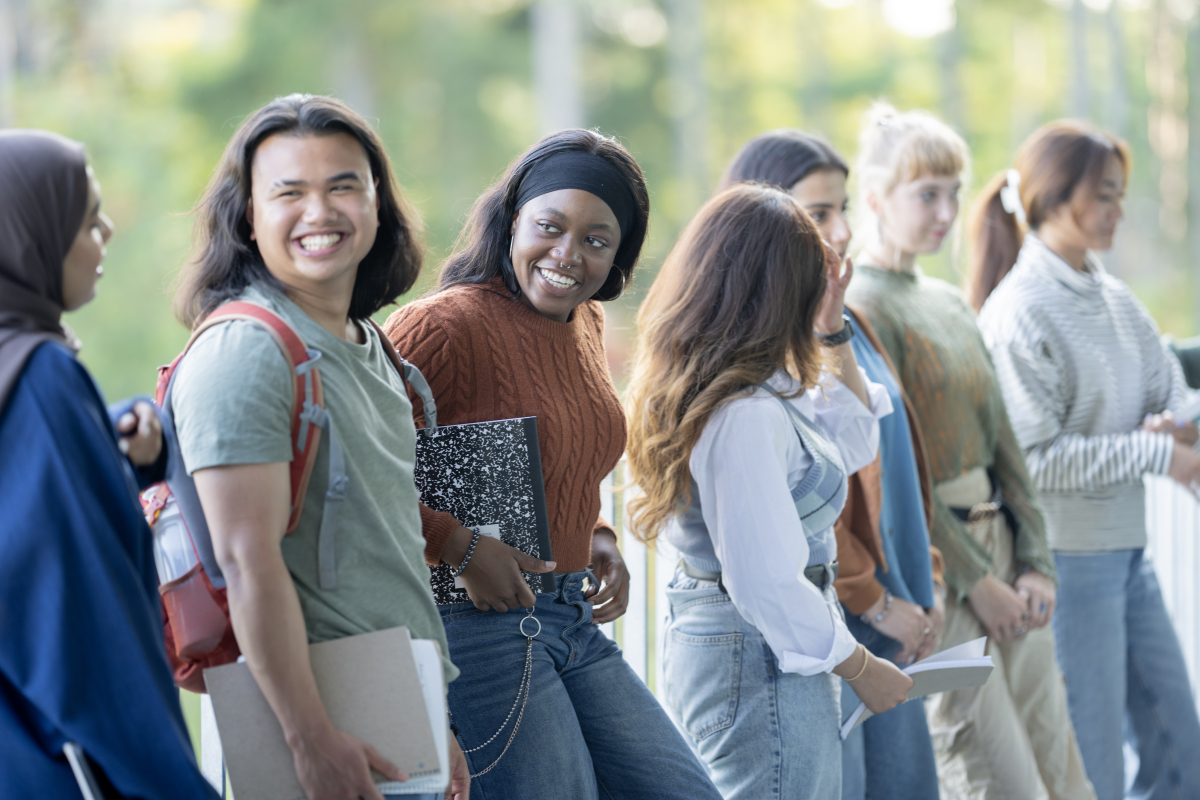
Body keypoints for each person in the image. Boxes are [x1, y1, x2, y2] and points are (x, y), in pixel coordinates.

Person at [384, 128, 721, 800]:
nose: (568, 254)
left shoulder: (587, 324)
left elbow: (568, 456)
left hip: (568, 614)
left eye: (597, 240)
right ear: (512, 220)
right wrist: (458, 545)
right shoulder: (442, 326)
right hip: (475, 625)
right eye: (550, 226)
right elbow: (357, 468)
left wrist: (597, 535)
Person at [169, 94, 468, 800]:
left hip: (395, 697)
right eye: (289, 193)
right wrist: (310, 740)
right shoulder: (246, 351)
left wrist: (433, 719)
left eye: (343, 186)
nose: (320, 212)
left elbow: (381, 552)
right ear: (248, 215)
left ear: (377, 202)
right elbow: (247, 564)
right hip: (315, 723)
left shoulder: (371, 346)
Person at [625, 182, 914, 800]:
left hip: (747, 646)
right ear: (780, 294)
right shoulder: (745, 412)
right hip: (757, 654)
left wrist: (832, 332)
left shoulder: (753, 386)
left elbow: (853, 442)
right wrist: (862, 668)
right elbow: (764, 580)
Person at [845, 103, 1096, 800]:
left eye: (954, 192)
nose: (947, 211)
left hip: (1011, 559)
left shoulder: (952, 302)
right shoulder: (859, 306)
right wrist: (973, 579)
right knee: (996, 772)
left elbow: (1005, 442)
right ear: (875, 199)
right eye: (927, 194)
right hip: (940, 571)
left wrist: (1036, 564)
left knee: (1062, 766)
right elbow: (893, 472)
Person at [971, 120, 1200, 800]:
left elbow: (1173, 390)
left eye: (1120, 194)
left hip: (1128, 556)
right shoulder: (1020, 312)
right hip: (1065, 567)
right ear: (1054, 195)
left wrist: (1175, 421)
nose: (1118, 210)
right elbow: (1037, 460)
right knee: (1090, 767)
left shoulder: (1112, 295)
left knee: (1182, 754)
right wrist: (1160, 451)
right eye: (1105, 194)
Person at [717, 128, 945, 799]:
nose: (842, 231)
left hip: (869, 602)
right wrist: (870, 595)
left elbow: (862, 451)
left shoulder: (833, 322)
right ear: (762, 220)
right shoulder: (749, 369)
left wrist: (832, 327)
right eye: (819, 214)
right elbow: (801, 516)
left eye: (842, 209)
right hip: (830, 615)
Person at [0, 130, 218, 799]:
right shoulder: (39, 378)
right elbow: (79, 629)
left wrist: (117, 451)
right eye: (87, 218)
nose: (109, 230)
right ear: (30, 236)